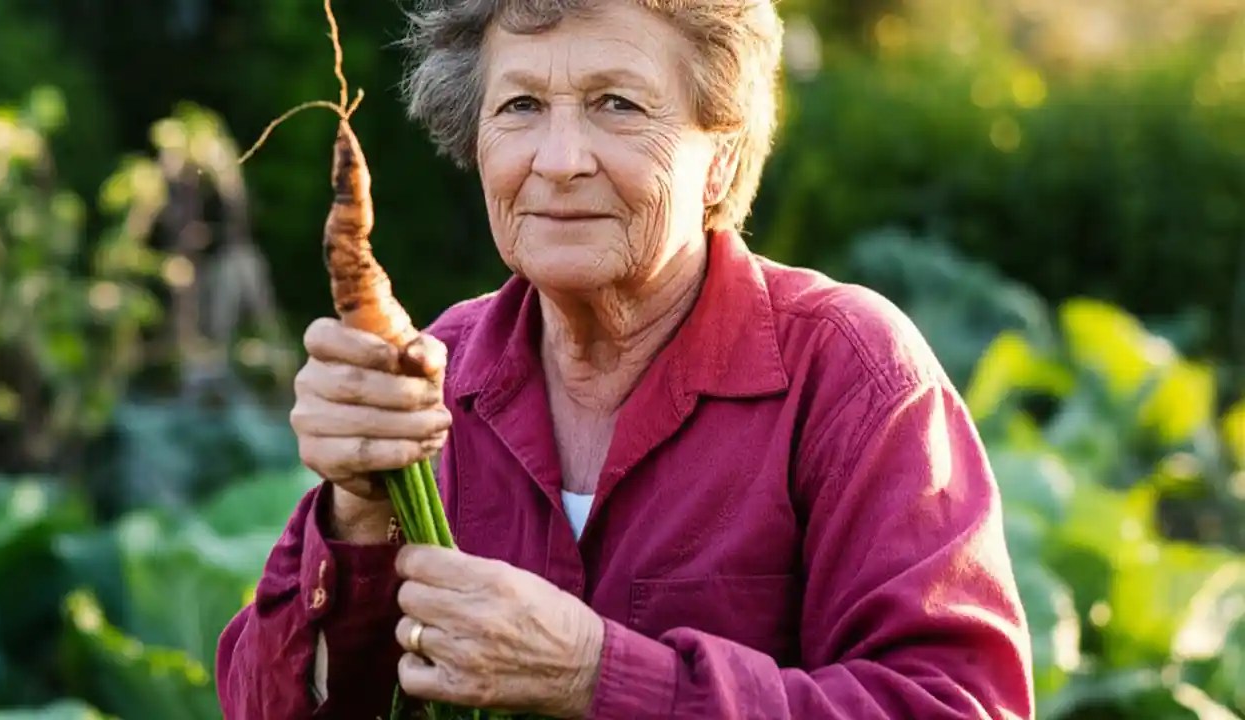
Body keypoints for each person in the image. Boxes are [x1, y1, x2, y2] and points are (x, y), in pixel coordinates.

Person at [215, 0, 1036, 717]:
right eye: (522, 105)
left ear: (718, 155)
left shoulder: (851, 373)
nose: (560, 158)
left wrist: (597, 675)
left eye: (616, 104)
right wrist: (358, 514)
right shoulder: (432, 377)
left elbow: (954, 706)